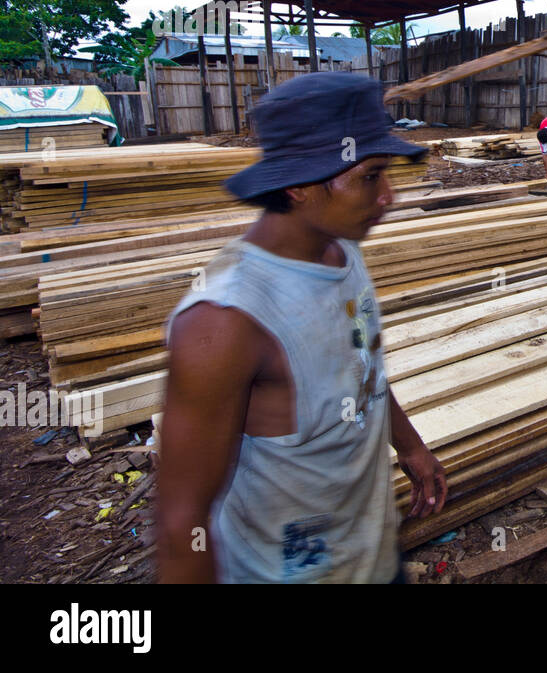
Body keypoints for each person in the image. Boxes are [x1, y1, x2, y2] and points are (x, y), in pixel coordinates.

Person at [157, 72, 448, 584]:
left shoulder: (341, 250)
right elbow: (183, 521)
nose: (390, 197)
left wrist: (410, 445)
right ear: (298, 186)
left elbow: (361, 366)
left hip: (372, 559)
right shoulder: (227, 320)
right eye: (370, 176)